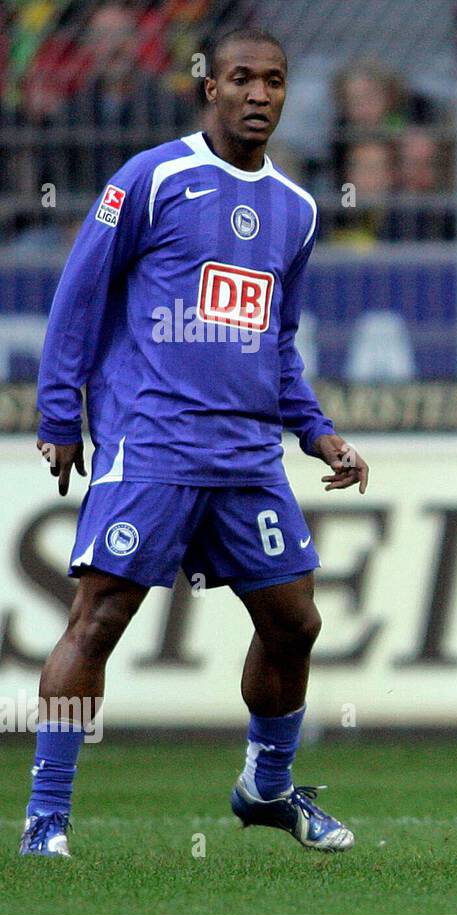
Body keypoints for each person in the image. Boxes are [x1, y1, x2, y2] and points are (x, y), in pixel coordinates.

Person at [22, 28, 370, 858]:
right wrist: (59, 415)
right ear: (209, 87)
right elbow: (78, 295)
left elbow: (277, 341)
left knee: (295, 621)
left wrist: (316, 431)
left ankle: (267, 786)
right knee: (99, 618)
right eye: (242, 78)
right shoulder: (152, 179)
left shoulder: (297, 210)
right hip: (153, 443)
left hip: (247, 457)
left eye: (274, 81)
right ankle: (46, 815)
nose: (259, 94)